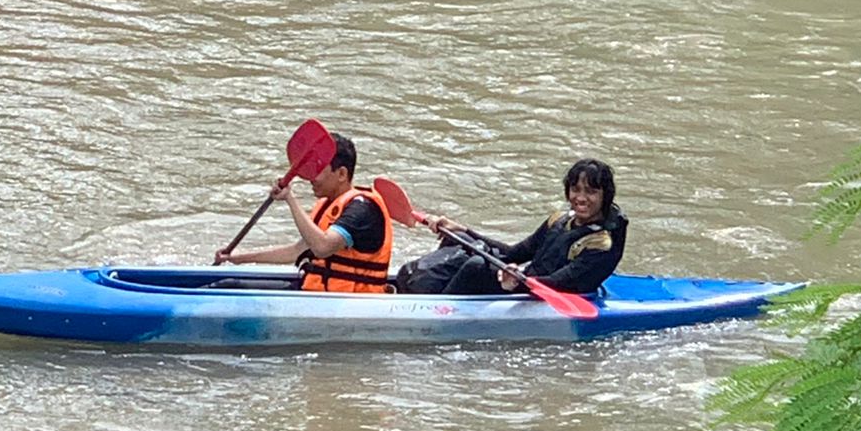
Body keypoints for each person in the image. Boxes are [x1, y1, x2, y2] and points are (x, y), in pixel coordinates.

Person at [400, 158, 627, 296]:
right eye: (576, 190)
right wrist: (462, 229)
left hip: (539, 291)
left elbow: (563, 281)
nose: (581, 198)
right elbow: (513, 253)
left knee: (476, 265)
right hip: (522, 281)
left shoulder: (601, 243)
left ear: (605, 195)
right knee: (466, 242)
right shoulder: (559, 220)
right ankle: (411, 286)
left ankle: (437, 310)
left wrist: (520, 282)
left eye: (591, 191)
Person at [214, 133, 393, 292]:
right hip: (318, 294)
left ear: (341, 174)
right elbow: (296, 251)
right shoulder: (326, 205)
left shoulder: (362, 209)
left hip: (349, 303)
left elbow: (322, 248)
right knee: (228, 285)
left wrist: (290, 199)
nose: (311, 178)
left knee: (229, 288)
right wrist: (237, 258)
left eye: (319, 169)